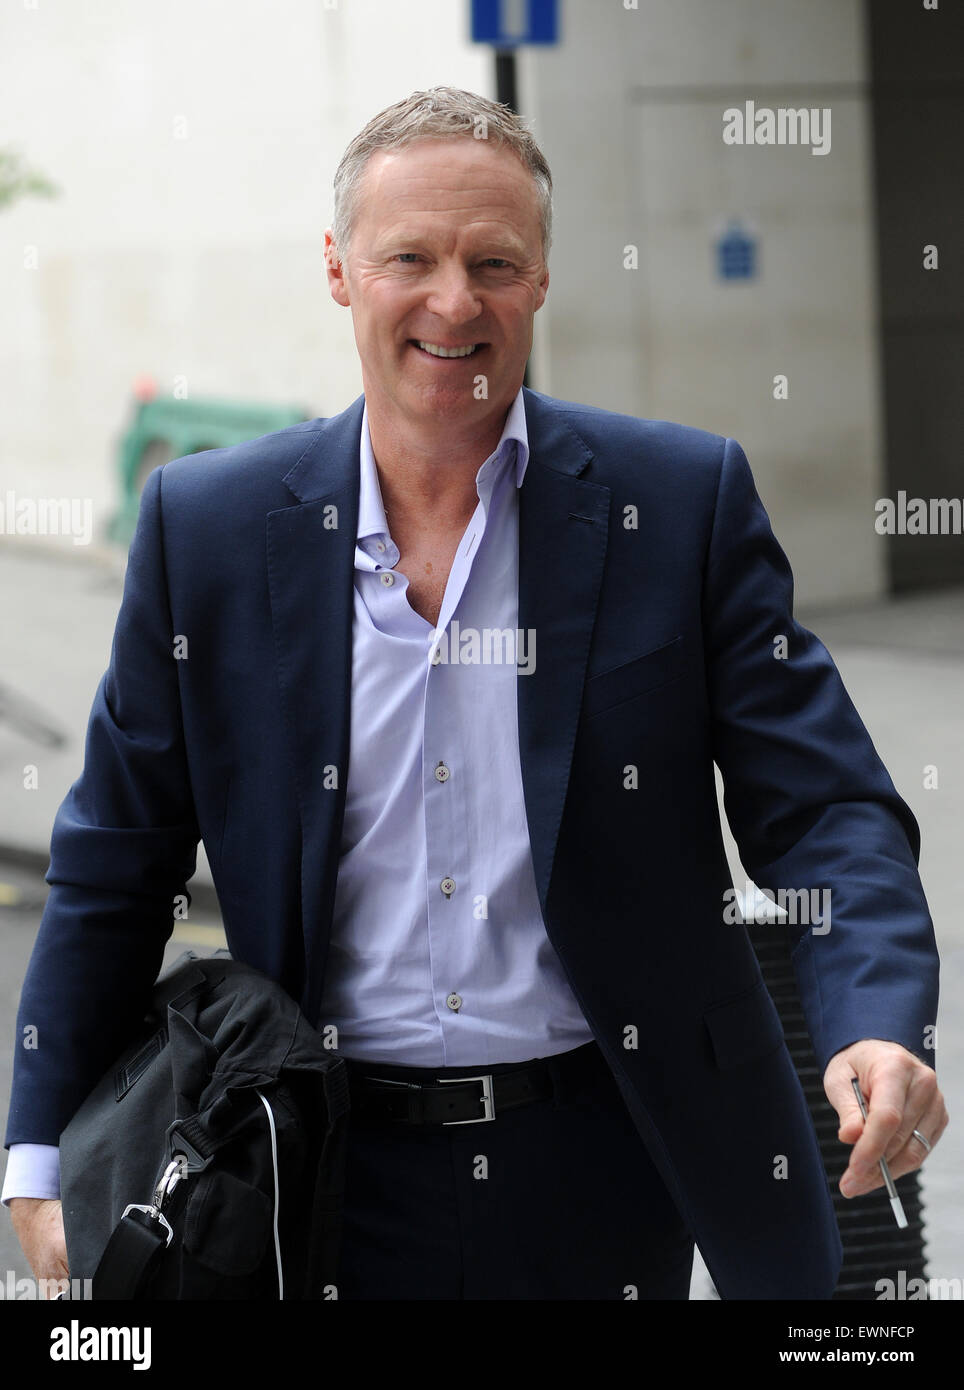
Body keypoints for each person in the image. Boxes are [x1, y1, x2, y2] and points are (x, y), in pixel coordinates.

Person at [3, 86, 947, 1300]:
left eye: (494, 261)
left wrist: (876, 1018)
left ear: (542, 278)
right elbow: (113, 862)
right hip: (320, 1165)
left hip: (613, 1151)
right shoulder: (211, 533)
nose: (456, 301)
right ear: (340, 270)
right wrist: (38, 1153)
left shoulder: (675, 504)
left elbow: (828, 811)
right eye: (412, 257)